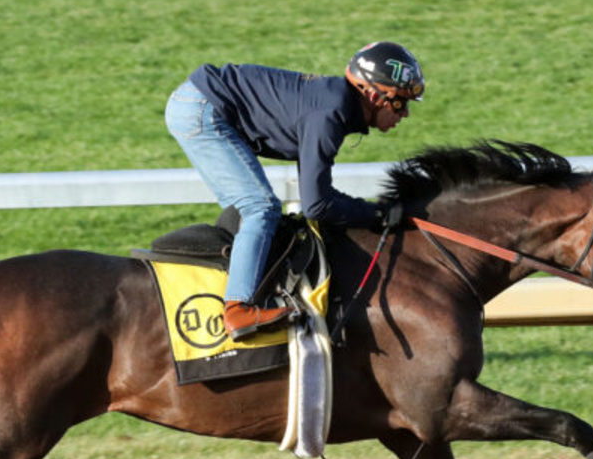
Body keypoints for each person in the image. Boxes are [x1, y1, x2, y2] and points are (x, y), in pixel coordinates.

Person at [165, 41, 425, 341]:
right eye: (399, 102)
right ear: (372, 94)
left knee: (253, 215)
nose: (404, 114)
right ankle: (237, 309)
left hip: (199, 102)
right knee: (260, 209)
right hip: (202, 108)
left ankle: (243, 290)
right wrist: (377, 213)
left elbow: (316, 197)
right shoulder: (330, 114)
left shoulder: (334, 107)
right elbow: (317, 205)